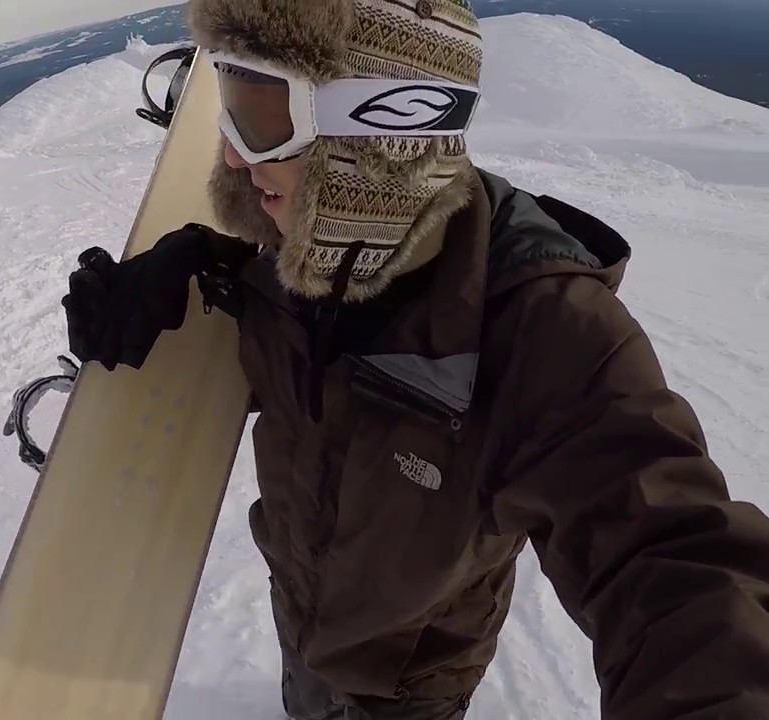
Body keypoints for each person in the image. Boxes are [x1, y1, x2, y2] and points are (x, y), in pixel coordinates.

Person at [60, 0, 769, 718]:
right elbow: (307, 358)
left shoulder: (546, 330)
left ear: (381, 133)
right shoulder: (292, 260)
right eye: (232, 103)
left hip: (411, 682)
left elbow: (675, 559)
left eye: (265, 115)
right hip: (299, 618)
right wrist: (201, 276)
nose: (238, 155)